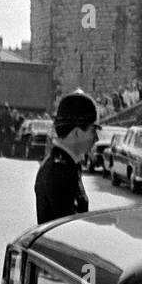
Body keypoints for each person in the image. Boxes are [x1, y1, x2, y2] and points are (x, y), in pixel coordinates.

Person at [34, 91, 97, 224]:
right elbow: (69, 227)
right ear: (77, 133)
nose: (96, 138)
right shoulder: (58, 170)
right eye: (92, 131)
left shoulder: (67, 164)